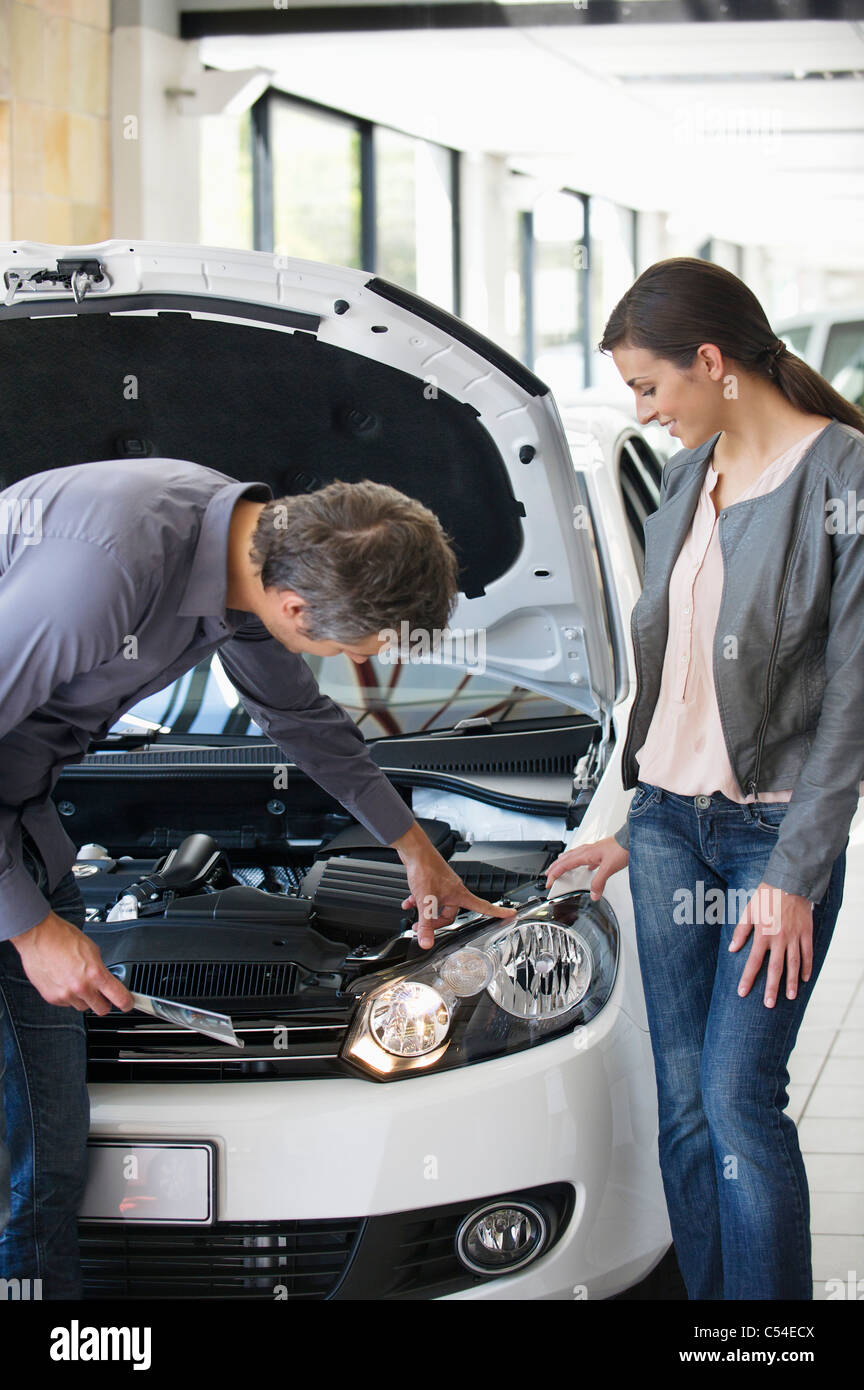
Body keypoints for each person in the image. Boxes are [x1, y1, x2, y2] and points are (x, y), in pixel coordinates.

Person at [0, 461, 516, 1297]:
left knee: (47, 1158)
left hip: (22, 825)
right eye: (352, 648)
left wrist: (414, 848)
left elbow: (298, 717)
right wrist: (27, 927)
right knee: (17, 1169)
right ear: (295, 609)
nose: (358, 664)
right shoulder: (104, 573)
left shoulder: (244, 547)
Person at [546, 256, 864, 1301]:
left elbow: (852, 709)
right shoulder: (691, 473)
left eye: (649, 385)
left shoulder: (844, 479)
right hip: (667, 826)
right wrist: (628, 821)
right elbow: (673, 672)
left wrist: (798, 874)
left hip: (772, 839)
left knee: (738, 1096)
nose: (642, 413)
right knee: (681, 1098)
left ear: (714, 362)